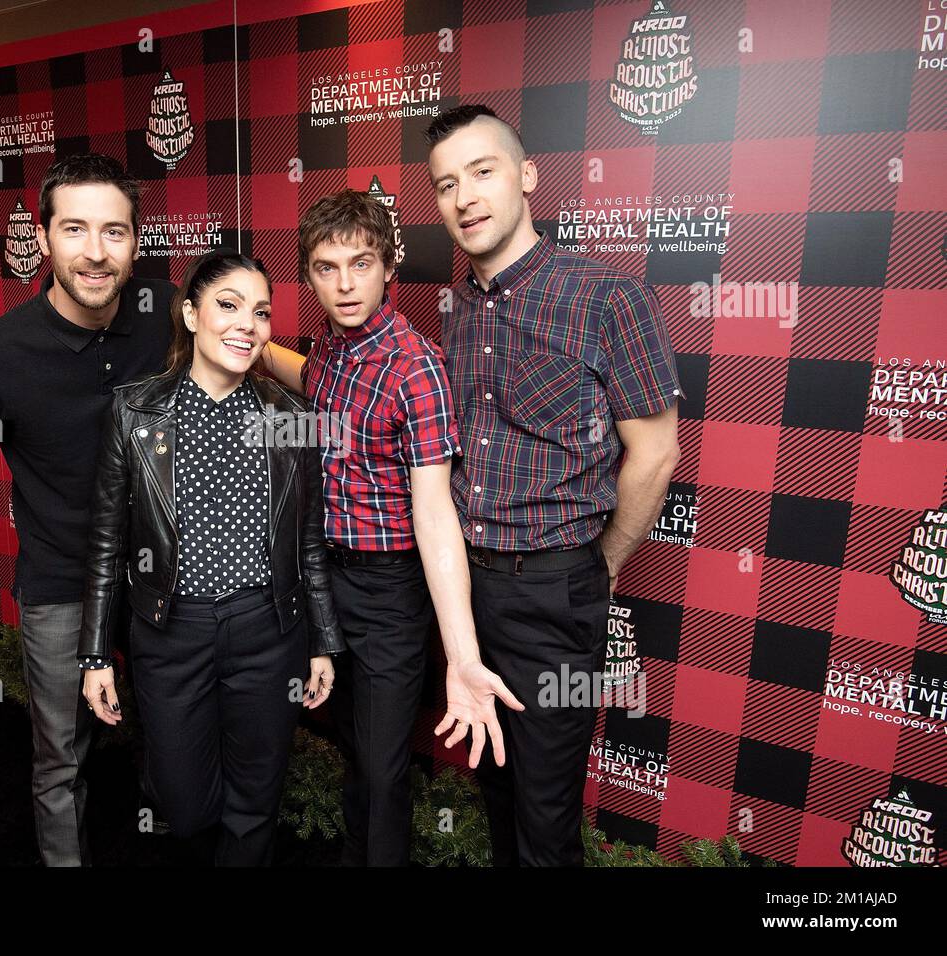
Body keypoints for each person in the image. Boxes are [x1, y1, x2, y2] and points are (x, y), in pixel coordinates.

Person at [425, 104, 682, 865]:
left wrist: (598, 565)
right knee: (496, 787)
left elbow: (657, 454)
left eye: (483, 171)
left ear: (527, 176)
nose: (465, 196)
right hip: (470, 593)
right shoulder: (461, 310)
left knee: (544, 820)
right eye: (446, 184)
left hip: (555, 591)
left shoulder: (609, 298)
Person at [261, 189, 519, 866]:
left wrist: (462, 652)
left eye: (361, 263)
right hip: (325, 577)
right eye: (326, 267)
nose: (345, 284)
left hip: (387, 593)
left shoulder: (417, 368)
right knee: (349, 745)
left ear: (387, 267)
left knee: (381, 767)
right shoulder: (329, 345)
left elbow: (434, 510)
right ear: (309, 273)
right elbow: (312, 382)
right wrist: (254, 347)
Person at [0, 153, 174, 866]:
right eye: (75, 229)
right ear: (42, 240)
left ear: (136, 239)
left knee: (170, 734)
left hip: (164, 577)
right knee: (62, 758)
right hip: (62, 586)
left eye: (114, 231)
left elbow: (254, 346)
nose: (95, 253)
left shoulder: (164, 310)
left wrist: (340, 372)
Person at [79, 250, 345, 866]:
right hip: (172, 632)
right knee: (185, 803)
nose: (246, 324)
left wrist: (321, 641)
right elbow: (105, 544)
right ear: (191, 313)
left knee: (255, 803)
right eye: (228, 306)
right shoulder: (136, 411)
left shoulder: (289, 417)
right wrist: (96, 655)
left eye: (260, 312)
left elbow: (306, 540)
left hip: (266, 630)